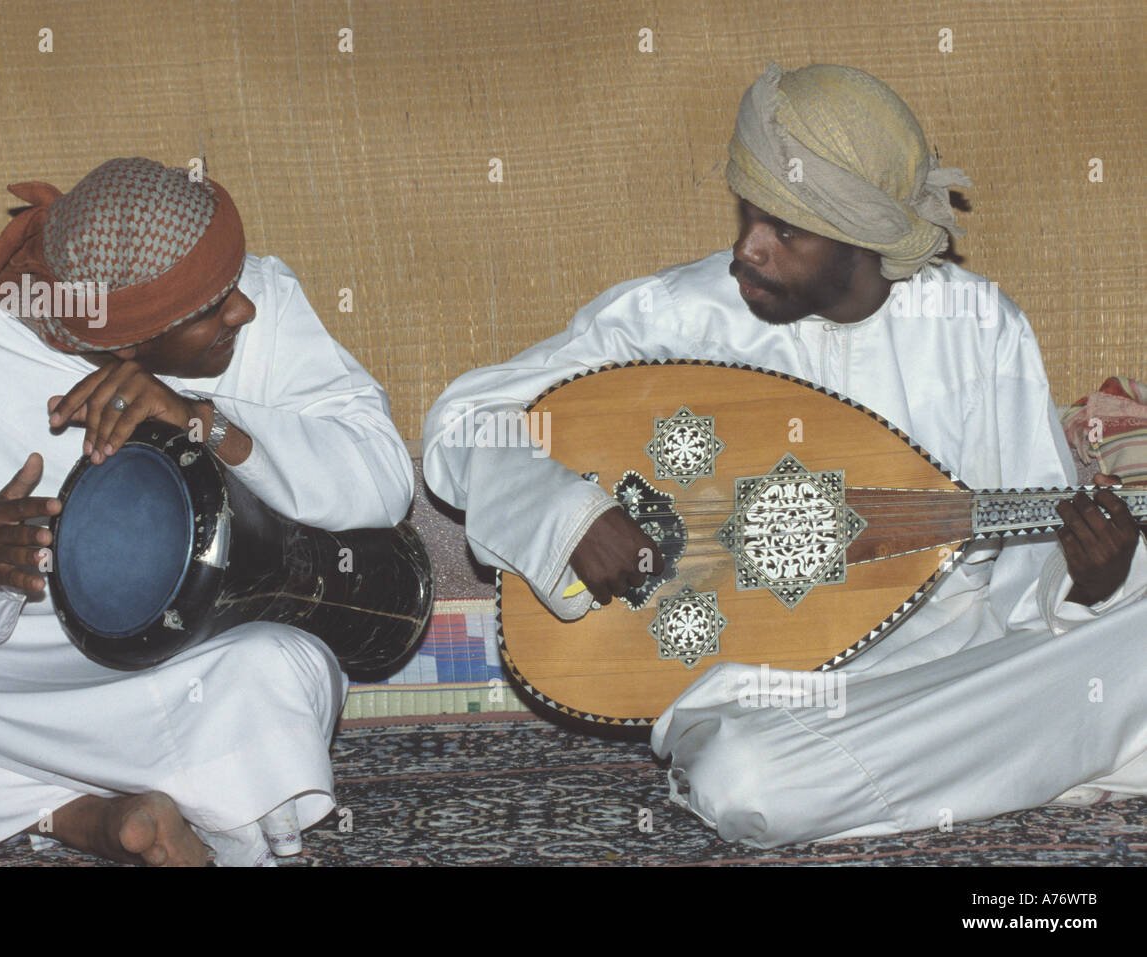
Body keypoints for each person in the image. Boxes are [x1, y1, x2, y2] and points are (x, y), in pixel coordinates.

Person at [422, 63, 1147, 847]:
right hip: (762, 695)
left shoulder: (976, 325)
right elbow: (464, 421)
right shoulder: (678, 316)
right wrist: (565, 513)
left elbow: (1027, 567)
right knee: (748, 781)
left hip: (952, 665)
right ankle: (1053, 748)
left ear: (862, 241)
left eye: (785, 231)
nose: (747, 248)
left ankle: (1024, 745)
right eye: (749, 213)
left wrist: (1089, 583)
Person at [0, 157, 414, 866]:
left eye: (231, 288)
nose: (242, 309)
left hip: (195, 659)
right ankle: (83, 815)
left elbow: (382, 474)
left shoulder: (254, 296)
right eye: (210, 309)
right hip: (21, 668)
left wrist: (206, 421)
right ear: (120, 341)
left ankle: (80, 810)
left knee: (275, 672)